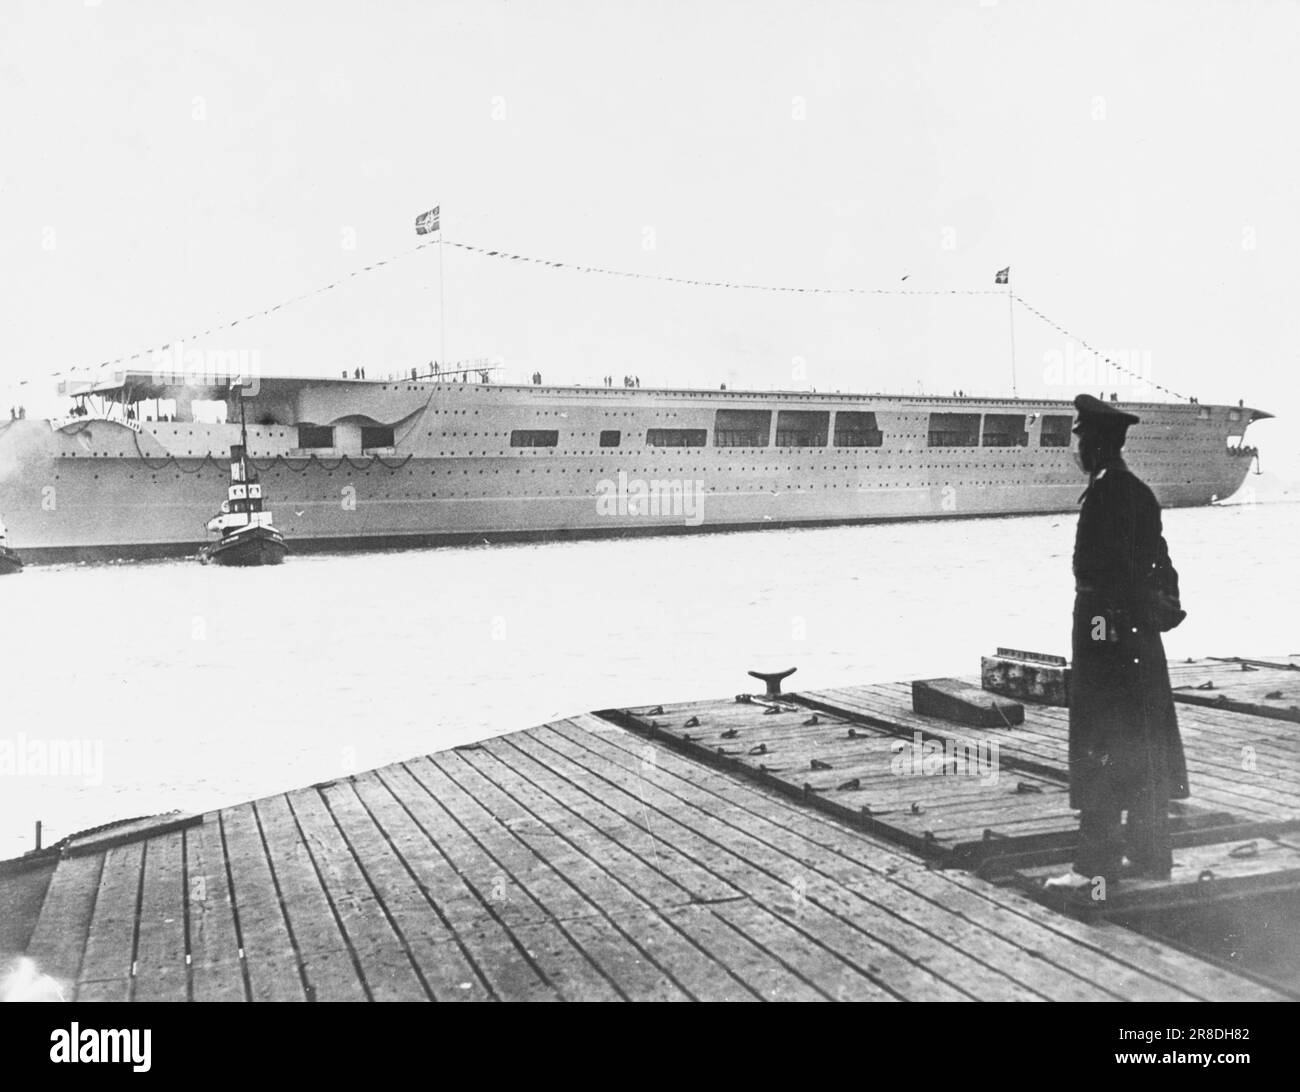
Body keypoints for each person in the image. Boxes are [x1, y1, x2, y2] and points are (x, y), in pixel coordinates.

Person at [1045, 394, 1188, 891]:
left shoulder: (1109, 495)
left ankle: (1093, 867)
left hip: (1108, 643)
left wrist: (1101, 645)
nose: (1078, 447)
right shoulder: (1134, 491)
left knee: (1102, 749)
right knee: (1143, 749)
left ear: (1098, 442)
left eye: (1082, 438)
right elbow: (1159, 566)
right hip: (1136, 644)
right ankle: (1151, 857)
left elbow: (1112, 580)